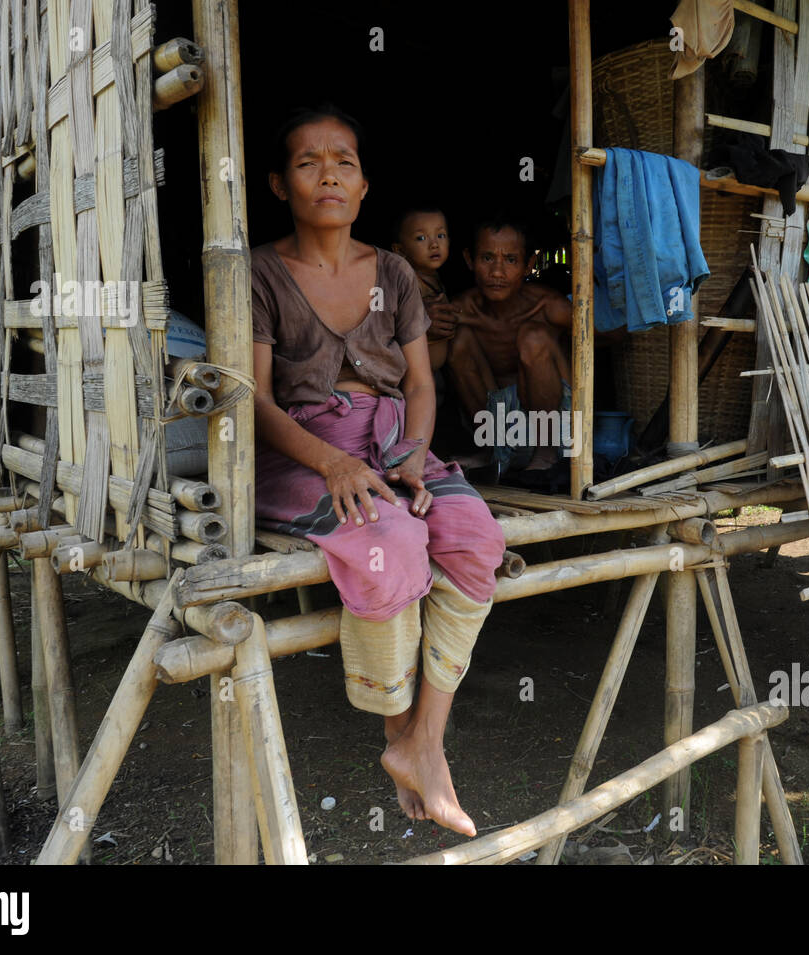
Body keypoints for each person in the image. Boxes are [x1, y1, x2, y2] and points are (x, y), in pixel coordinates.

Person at [251, 105, 504, 837]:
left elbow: (421, 384)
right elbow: (255, 398)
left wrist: (412, 453)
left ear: (364, 187)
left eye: (345, 160)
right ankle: (403, 736)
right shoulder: (262, 272)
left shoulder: (392, 270)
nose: (328, 171)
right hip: (304, 452)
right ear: (277, 183)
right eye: (307, 161)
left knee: (474, 536)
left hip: (395, 442)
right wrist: (331, 461)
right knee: (386, 541)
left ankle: (423, 742)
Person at [446, 218, 573, 471]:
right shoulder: (461, 309)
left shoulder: (549, 307)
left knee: (534, 337)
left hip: (559, 428)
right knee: (457, 338)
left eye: (511, 260)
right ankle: (492, 452)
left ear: (529, 265)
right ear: (470, 260)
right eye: (487, 258)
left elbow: (608, 338)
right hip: (500, 429)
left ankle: (545, 453)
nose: (497, 272)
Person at [390, 206, 460, 372]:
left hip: (434, 374)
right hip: (411, 378)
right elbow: (387, 322)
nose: (434, 244)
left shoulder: (434, 276)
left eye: (441, 235)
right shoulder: (406, 282)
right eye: (421, 238)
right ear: (400, 250)